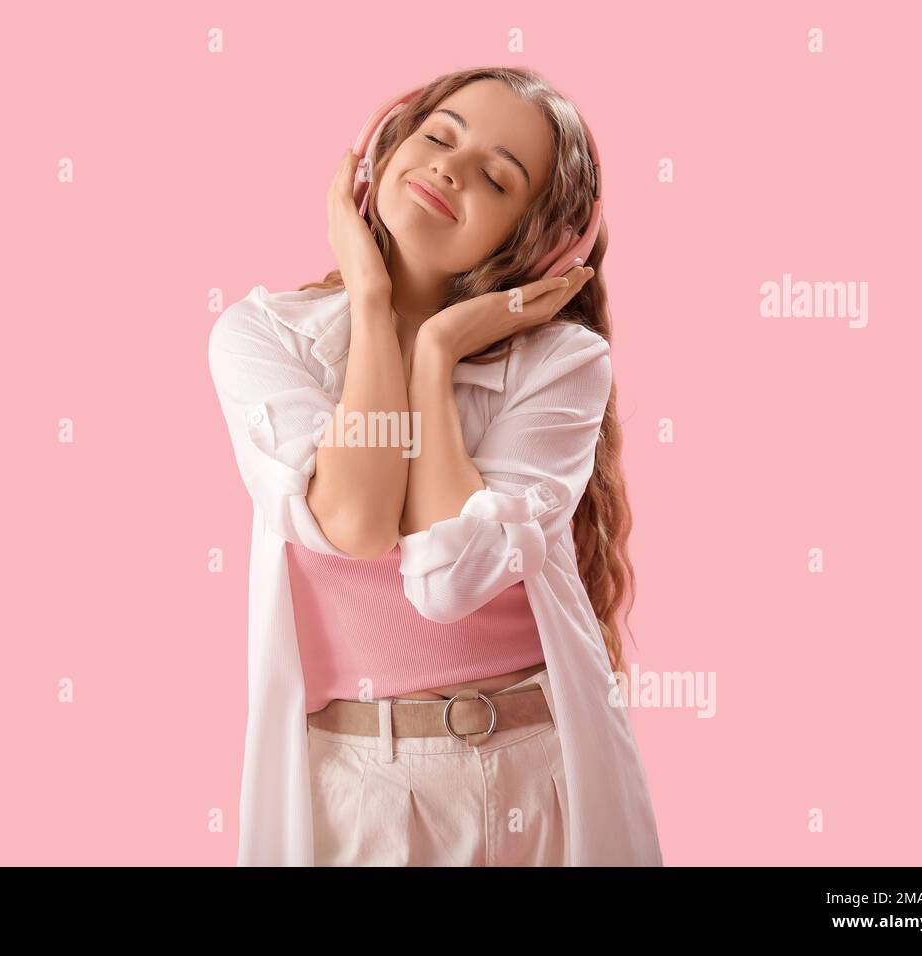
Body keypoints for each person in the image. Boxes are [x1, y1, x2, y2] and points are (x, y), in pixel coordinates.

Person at [207, 66, 663, 866]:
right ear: (376, 156)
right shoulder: (262, 335)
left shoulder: (563, 362)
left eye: (495, 177)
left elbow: (448, 580)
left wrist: (437, 350)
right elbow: (351, 522)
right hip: (359, 789)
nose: (450, 168)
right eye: (438, 137)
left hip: (535, 778)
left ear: (542, 242)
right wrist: (374, 301)